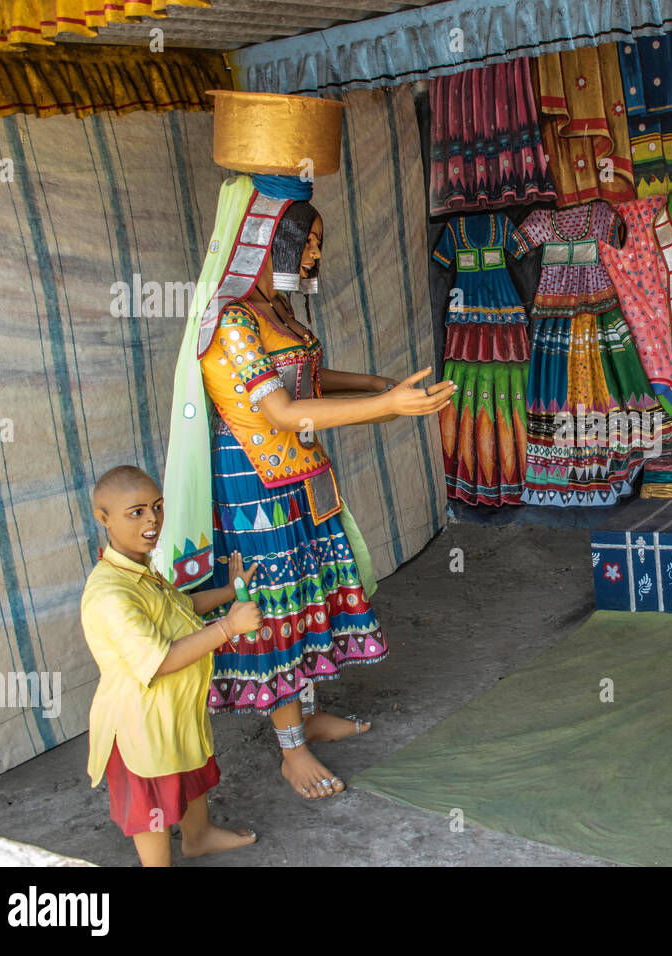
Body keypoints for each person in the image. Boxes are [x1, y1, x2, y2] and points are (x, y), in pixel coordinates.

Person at [196, 190, 455, 800]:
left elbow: (305, 374)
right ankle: (290, 750)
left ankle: (306, 715)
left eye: (316, 242)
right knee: (274, 605)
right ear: (266, 240)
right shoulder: (231, 320)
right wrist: (383, 406)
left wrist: (374, 382)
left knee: (308, 593)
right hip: (255, 482)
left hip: (301, 472)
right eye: (306, 241)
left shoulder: (275, 308)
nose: (314, 253)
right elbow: (281, 411)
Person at [82, 465, 262, 867]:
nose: (152, 521)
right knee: (151, 805)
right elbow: (159, 661)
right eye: (137, 512)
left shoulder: (141, 570)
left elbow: (180, 609)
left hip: (171, 710)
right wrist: (229, 626)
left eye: (157, 507)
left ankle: (197, 837)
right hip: (137, 724)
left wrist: (228, 592)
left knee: (189, 771)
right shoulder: (110, 593)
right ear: (103, 517)